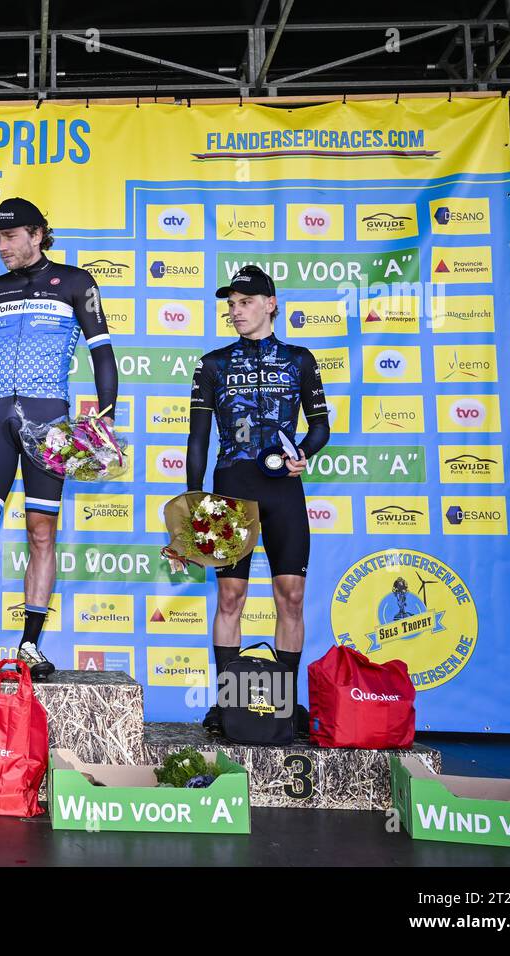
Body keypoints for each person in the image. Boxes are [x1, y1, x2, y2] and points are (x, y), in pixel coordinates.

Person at [0, 197, 118, 680]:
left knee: (41, 532)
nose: (2, 247)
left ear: (36, 233)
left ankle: (30, 645)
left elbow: (102, 352)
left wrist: (106, 416)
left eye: (9, 237)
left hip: (48, 416)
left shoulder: (76, 282)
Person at [185, 265, 331, 734]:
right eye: (230, 304)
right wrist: (193, 503)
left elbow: (321, 425)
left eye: (245, 302)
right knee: (231, 597)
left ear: (270, 303)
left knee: (292, 596)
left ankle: (282, 710)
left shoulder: (300, 359)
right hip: (231, 487)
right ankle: (231, 705)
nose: (235, 311)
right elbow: (197, 441)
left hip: (283, 487)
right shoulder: (212, 364)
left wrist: (303, 453)